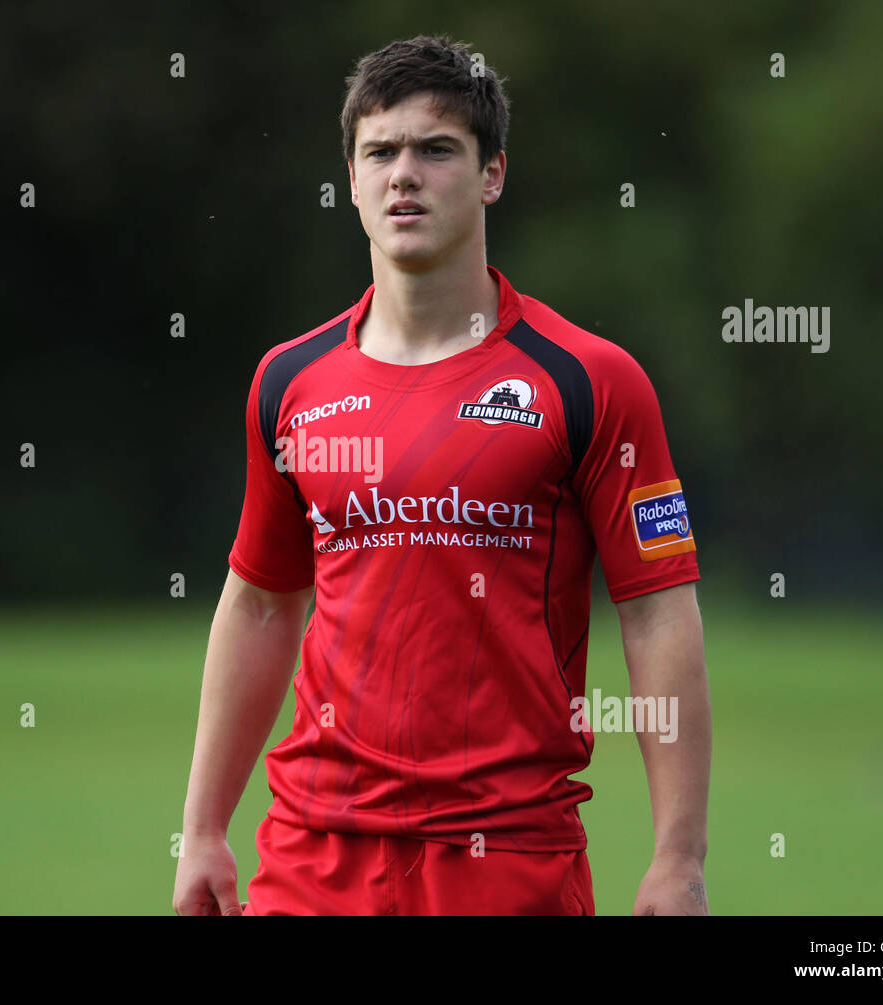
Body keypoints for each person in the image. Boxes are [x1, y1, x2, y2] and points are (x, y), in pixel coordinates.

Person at [173, 34, 710, 916]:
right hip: (315, 856)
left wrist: (677, 854)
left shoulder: (588, 380)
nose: (404, 174)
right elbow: (262, 601)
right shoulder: (289, 382)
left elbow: (657, 612)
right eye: (379, 152)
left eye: (436, 149)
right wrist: (202, 829)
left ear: (492, 173)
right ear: (349, 178)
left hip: (508, 859)